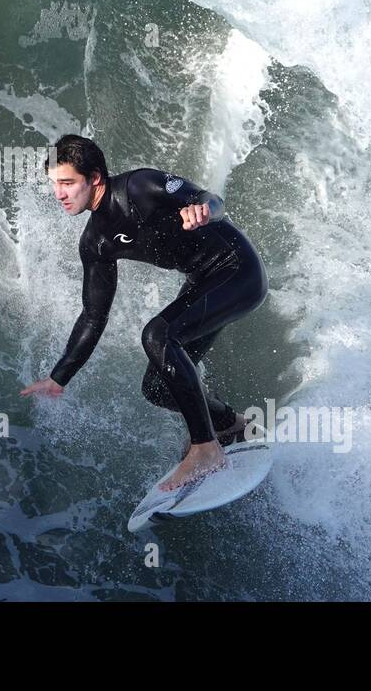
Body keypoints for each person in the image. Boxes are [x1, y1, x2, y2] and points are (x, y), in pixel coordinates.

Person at [20, 134, 268, 491]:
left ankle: (205, 449)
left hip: (238, 270)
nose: (59, 193)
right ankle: (232, 424)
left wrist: (202, 210)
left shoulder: (139, 186)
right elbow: (93, 315)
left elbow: (212, 200)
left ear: (94, 178)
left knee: (156, 335)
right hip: (204, 283)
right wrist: (59, 377)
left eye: (67, 183)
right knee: (156, 388)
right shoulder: (95, 243)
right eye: (55, 184)